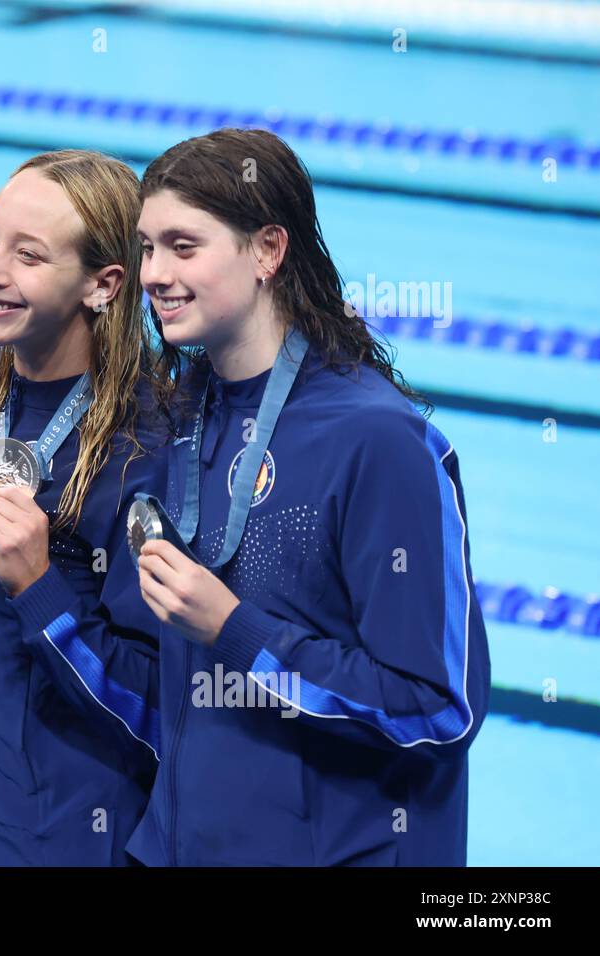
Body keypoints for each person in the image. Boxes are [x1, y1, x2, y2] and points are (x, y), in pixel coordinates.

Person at [129, 129, 490, 866]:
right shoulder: (181, 416)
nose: (154, 273)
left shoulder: (378, 442)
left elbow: (436, 708)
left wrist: (235, 629)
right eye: (145, 247)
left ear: (267, 250)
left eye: (183, 246)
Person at [0, 150, 168, 866]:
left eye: (28, 256)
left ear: (103, 284)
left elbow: (162, 710)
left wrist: (41, 592)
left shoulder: (141, 451)